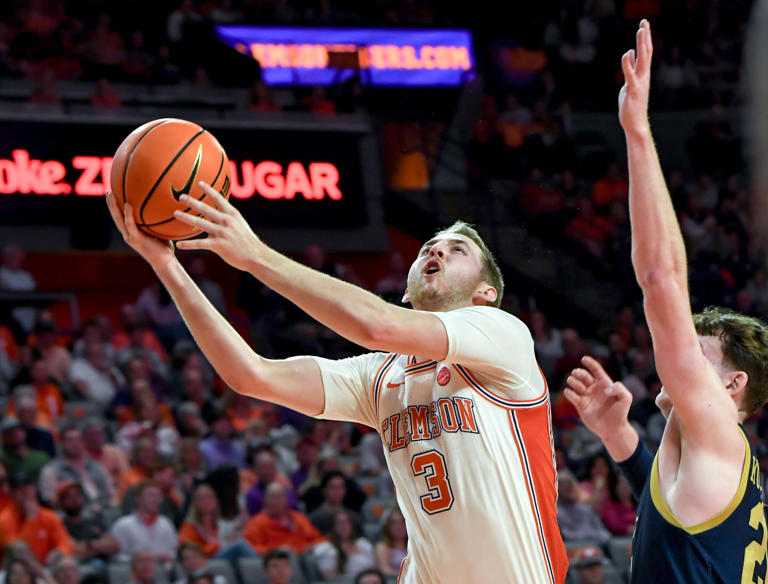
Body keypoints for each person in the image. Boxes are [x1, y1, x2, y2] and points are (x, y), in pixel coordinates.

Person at [106, 172, 568, 582]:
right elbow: (250, 375)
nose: (437, 249)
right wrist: (166, 266)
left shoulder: (503, 333)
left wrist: (254, 256)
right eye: (429, 247)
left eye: (457, 248)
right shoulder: (381, 375)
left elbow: (376, 325)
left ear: (486, 293)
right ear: (406, 293)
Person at [564, 20, 768, 583]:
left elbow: (660, 278)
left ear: (732, 386)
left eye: (698, 355)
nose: (677, 358)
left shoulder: (718, 429)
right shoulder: (716, 459)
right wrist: (619, 440)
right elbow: (670, 519)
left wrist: (636, 131)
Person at [242, 482, 324, 555]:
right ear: (265, 500)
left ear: (286, 500)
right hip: (276, 563)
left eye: (280, 496)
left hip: (303, 560)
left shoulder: (299, 518)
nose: (277, 501)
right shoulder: (256, 523)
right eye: (273, 497)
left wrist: (311, 546)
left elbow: (318, 538)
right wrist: (274, 551)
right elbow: (249, 548)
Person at [111, 480, 178, 565]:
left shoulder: (166, 524)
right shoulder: (123, 525)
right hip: (132, 573)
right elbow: (117, 557)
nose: (156, 500)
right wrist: (143, 560)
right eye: (151, 495)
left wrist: (168, 557)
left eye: (158, 496)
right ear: (138, 498)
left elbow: (173, 552)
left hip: (163, 573)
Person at [312, 510, 375, 580]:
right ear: (332, 526)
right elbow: (330, 580)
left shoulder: (363, 544)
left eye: (347, 522)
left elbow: (374, 571)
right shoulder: (327, 549)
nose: (344, 525)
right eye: (339, 523)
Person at [374, 508, 407, 577]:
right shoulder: (382, 547)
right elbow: (385, 571)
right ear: (387, 527)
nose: (399, 526)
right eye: (394, 523)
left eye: (402, 522)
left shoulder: (415, 546)